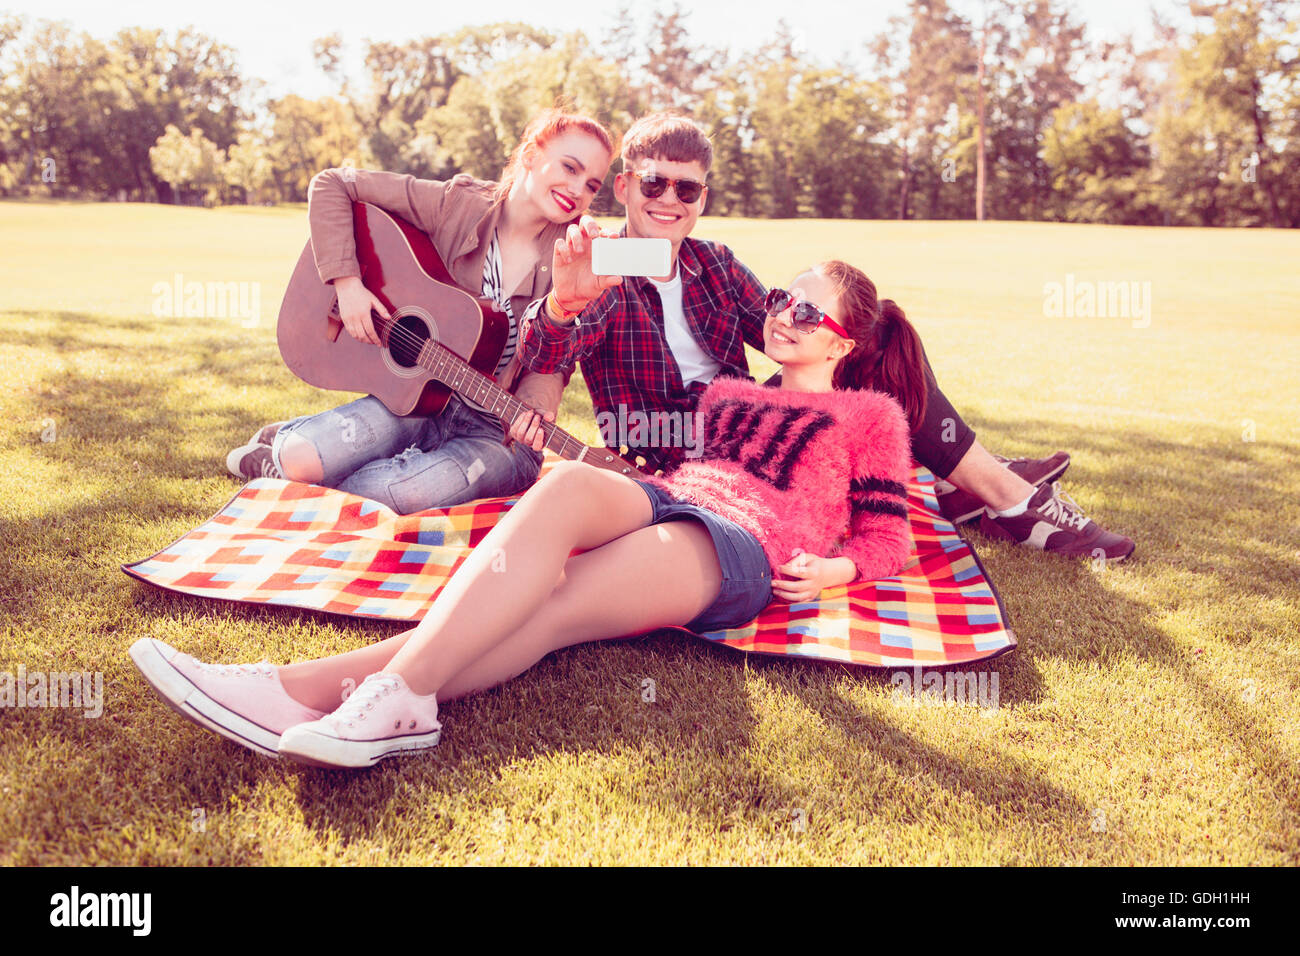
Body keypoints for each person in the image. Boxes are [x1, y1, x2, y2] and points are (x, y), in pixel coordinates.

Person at [130, 261, 918, 768]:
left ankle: (302, 689)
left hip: (736, 547)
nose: (784, 315)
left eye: (808, 313)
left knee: (556, 606)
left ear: (844, 343)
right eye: (783, 299)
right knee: (567, 485)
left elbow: (890, 534)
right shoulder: (725, 392)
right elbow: (669, 454)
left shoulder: (870, 417)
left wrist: (842, 567)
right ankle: (384, 701)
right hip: (674, 498)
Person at [511, 111, 1134, 561]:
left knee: (871, 341)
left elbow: (788, 324)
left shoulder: (714, 262)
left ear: (702, 196)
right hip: (687, 451)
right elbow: (548, 354)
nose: (669, 200)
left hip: (754, 416)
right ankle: (988, 486)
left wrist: (845, 324)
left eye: (687, 188)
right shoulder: (600, 263)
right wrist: (565, 302)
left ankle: (990, 484)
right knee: (849, 354)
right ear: (624, 188)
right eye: (653, 184)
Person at [225, 108, 616, 515]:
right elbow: (333, 184)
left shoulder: (575, 255)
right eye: (569, 167)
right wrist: (348, 283)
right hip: (416, 399)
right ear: (532, 154)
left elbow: (555, 363)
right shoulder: (458, 204)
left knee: (391, 494)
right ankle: (292, 447)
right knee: (301, 455)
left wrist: (537, 406)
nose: (577, 189)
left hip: (495, 435)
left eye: (590, 184)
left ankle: (309, 460)